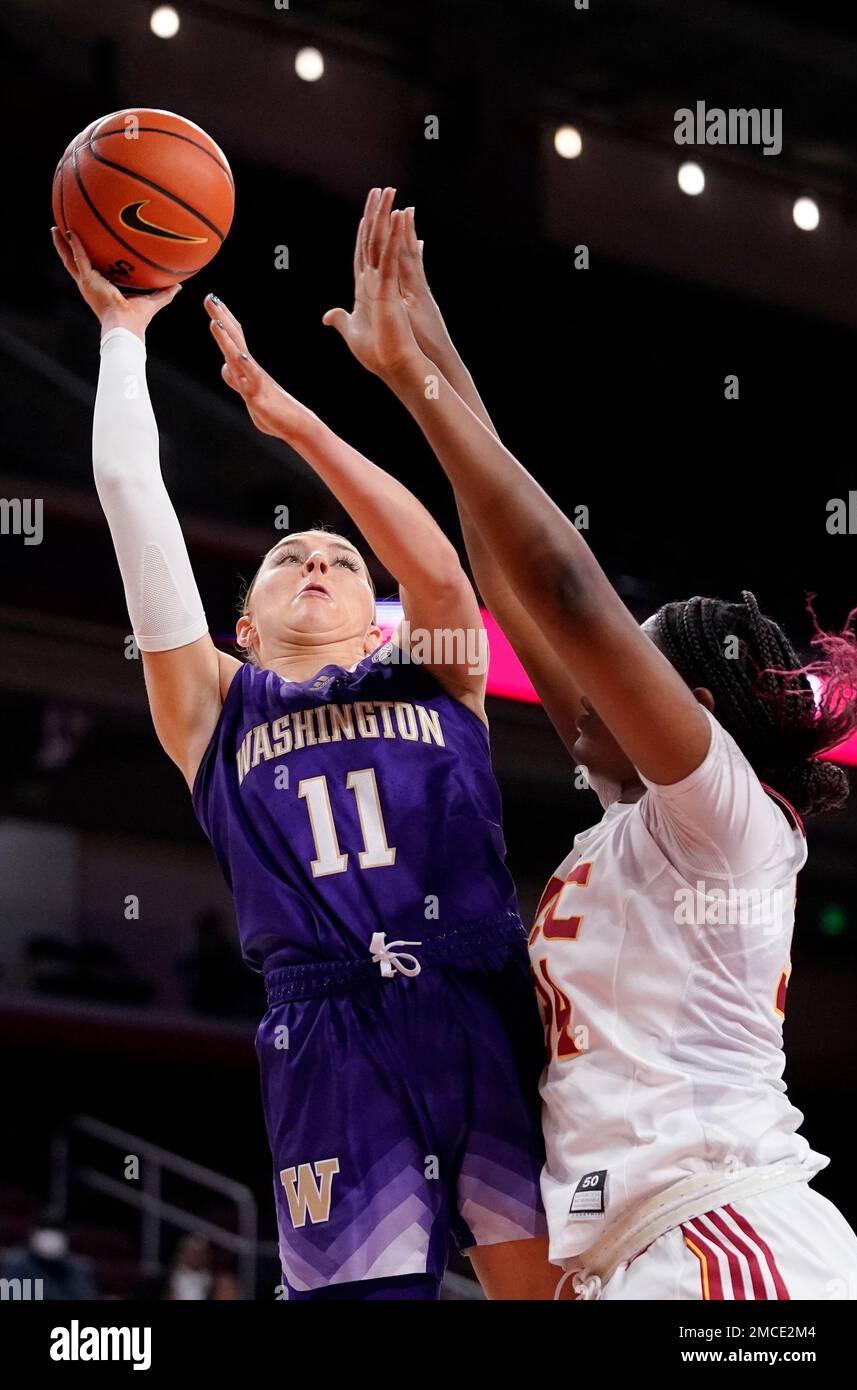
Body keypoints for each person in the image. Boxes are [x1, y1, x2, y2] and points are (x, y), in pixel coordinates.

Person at [324, 189, 857, 1300]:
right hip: (630, 1261)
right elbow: (510, 571)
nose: (591, 682)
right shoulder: (633, 822)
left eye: (633, 662)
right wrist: (425, 338)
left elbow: (567, 587)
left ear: (695, 716)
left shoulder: (725, 819)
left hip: (728, 1242)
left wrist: (413, 385)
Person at [51, 224, 557, 1301]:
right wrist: (124, 340)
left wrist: (294, 423)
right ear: (243, 623)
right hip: (328, 1030)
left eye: (337, 558)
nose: (319, 561)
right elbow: (133, 506)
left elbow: (435, 566)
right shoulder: (214, 709)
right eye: (291, 557)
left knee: (552, 1295)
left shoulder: (435, 674)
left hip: (480, 995)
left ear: (374, 624)